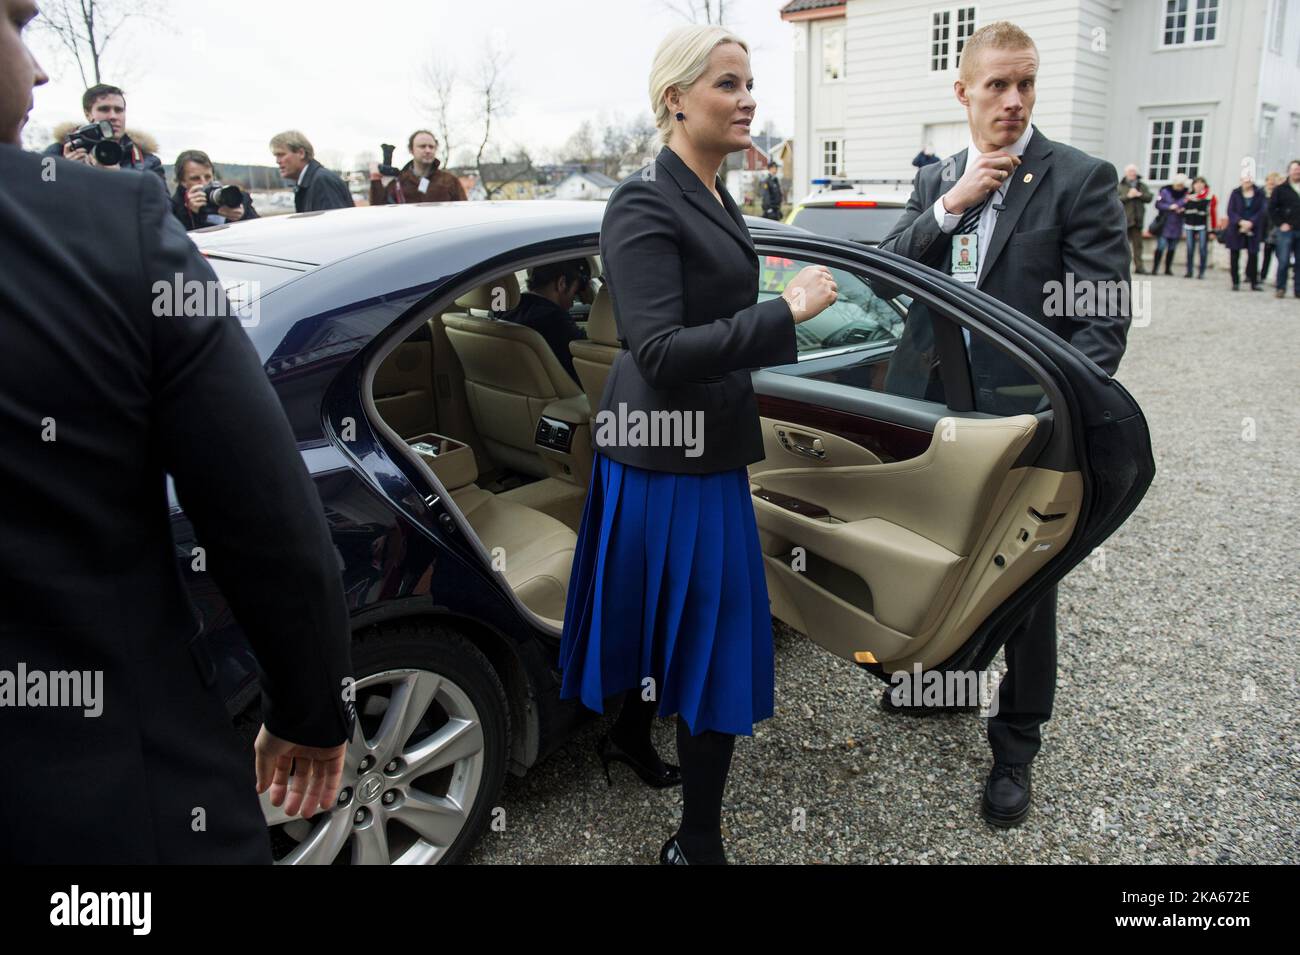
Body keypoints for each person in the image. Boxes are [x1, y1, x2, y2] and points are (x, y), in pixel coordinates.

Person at [1, 0, 356, 863]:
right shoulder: (107, 225)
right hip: (103, 806)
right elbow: (264, 513)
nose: (43, 73)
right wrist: (309, 711)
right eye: (19, 24)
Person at [559, 23, 836, 865]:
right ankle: (698, 845)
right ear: (675, 99)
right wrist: (783, 313)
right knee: (713, 645)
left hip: (701, 449)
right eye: (727, 82)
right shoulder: (642, 201)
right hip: (663, 456)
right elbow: (659, 351)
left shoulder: (720, 195)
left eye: (749, 82)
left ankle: (630, 743)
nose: (747, 97)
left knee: (663, 621)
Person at [877, 21, 1131, 829]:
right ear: (965, 92)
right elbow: (888, 275)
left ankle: (1016, 744)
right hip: (942, 422)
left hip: (1030, 430)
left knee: (1027, 586)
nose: (1014, 101)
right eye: (997, 85)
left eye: (1026, 84)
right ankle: (948, 686)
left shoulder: (1079, 179)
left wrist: (1062, 423)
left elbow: (1100, 321)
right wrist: (953, 206)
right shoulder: (938, 182)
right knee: (949, 567)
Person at [41, 81, 163, 180]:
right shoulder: (55, 154)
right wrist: (65, 173)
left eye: (119, 110)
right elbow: (35, 201)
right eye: (104, 109)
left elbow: (162, 208)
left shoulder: (149, 163)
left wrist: (119, 179)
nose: (113, 116)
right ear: (88, 114)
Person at [500, 258, 590, 384]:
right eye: (576, 292)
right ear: (562, 283)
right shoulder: (557, 322)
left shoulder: (506, 313)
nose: (573, 301)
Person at [170, 148, 260, 231]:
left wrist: (242, 215)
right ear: (182, 181)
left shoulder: (227, 196)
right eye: (195, 178)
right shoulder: (172, 209)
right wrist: (192, 214)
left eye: (208, 177)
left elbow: (257, 228)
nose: (204, 183)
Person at [369, 129, 466, 205]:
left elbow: (463, 213)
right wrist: (376, 179)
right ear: (411, 150)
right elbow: (379, 209)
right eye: (422, 146)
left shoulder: (449, 181)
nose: (428, 150)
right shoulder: (399, 182)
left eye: (431, 147)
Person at [270, 129, 354, 212]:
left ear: (301, 153)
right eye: (276, 156)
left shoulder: (322, 181)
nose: (277, 161)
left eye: (281, 155)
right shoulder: (311, 182)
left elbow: (333, 224)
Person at [1224, 174, 1267, 291]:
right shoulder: (1235, 193)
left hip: (1253, 228)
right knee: (1234, 255)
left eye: (1249, 180)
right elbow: (1230, 210)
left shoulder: (1259, 193)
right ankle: (1235, 282)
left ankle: (1253, 281)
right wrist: (1240, 221)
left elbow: (1262, 210)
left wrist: (1251, 222)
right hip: (1237, 228)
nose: (1247, 182)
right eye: (1244, 180)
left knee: (1253, 256)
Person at [1267, 159, 1300, 298]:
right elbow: (1272, 209)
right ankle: (1281, 287)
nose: (1297, 172)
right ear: (1289, 171)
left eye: (1299, 169)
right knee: (1284, 260)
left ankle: (1298, 290)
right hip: (1285, 230)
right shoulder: (1280, 189)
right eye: (1295, 169)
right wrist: (1280, 223)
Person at [1118, 164, 1152, 274]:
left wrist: (1139, 195)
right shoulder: (1120, 186)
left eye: (1134, 171)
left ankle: (1139, 267)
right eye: (1130, 171)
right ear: (1126, 173)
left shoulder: (1141, 185)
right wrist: (1128, 196)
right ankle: (1122, 267)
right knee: (1123, 246)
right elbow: (1115, 200)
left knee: (1138, 246)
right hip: (1124, 219)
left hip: (1137, 219)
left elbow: (1149, 197)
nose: (1132, 173)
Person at [1152, 173, 1189, 275]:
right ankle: (1155, 268)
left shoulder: (1186, 193)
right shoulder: (1165, 191)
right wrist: (1169, 207)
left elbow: (1188, 206)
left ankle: (1168, 269)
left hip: (1177, 223)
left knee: (1172, 247)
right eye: (1179, 185)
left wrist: (1182, 209)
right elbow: (1158, 204)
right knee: (1161, 246)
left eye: (1182, 185)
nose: (1180, 187)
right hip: (1165, 223)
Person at [1181, 175, 1216, 279]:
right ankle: (1189, 271)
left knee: (1202, 249)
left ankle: (1201, 272)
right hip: (1189, 225)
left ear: (1205, 185)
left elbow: (1213, 213)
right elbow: (1183, 211)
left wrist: (1212, 229)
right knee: (1190, 248)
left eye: (1201, 183)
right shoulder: (1188, 196)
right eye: (1196, 183)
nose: (1199, 185)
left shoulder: (1209, 197)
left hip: (1202, 226)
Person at [1259, 171, 1283, 284]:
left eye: (1274, 183)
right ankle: (1261, 275)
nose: (1272, 184)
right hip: (1263, 227)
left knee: (1277, 254)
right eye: (1270, 182)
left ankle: (1275, 277)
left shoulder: (1280, 197)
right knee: (1264, 253)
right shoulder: (1261, 194)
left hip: (1275, 228)